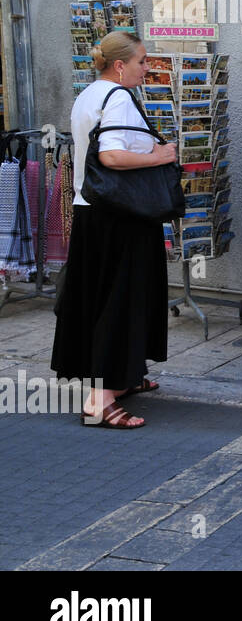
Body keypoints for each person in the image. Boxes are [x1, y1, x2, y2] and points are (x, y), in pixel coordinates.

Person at [52, 31, 174, 429]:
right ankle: (101, 402)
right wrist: (160, 155)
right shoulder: (118, 97)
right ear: (120, 65)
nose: (146, 67)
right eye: (141, 61)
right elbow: (112, 155)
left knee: (101, 298)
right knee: (121, 302)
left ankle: (122, 378)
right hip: (121, 215)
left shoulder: (89, 94)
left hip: (93, 212)